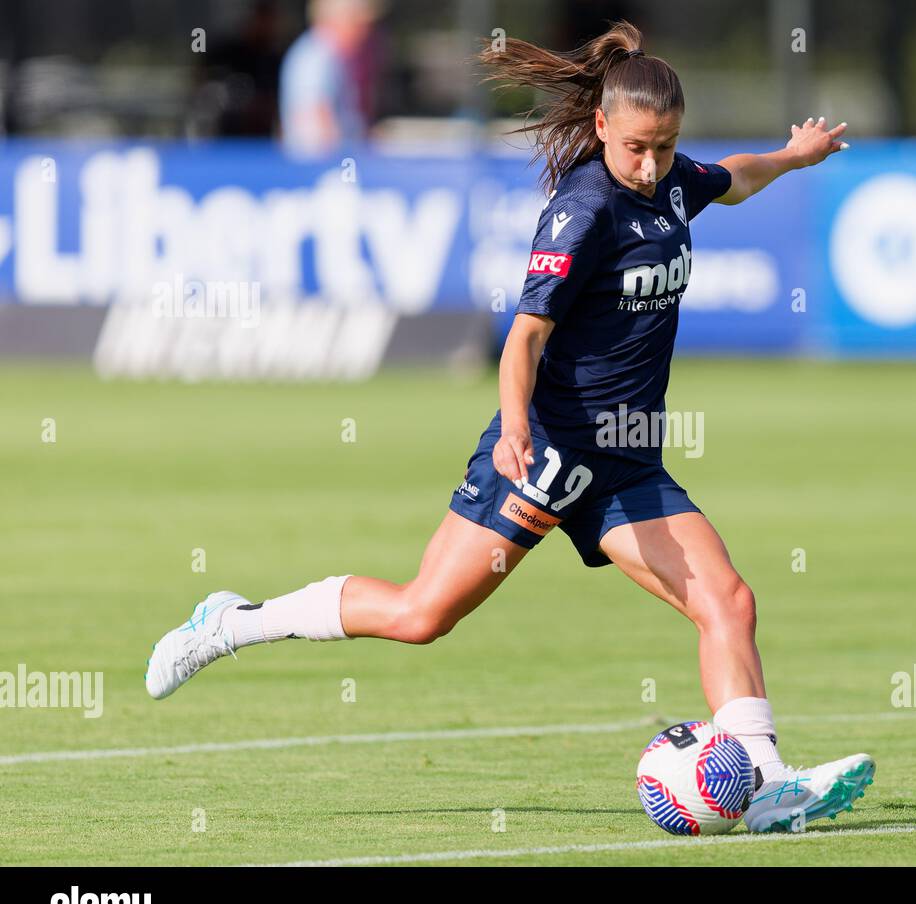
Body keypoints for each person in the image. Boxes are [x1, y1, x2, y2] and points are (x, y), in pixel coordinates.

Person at [146, 21, 873, 834]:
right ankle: (233, 623)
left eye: (665, 146)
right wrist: (517, 430)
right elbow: (524, 334)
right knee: (423, 616)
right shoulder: (584, 211)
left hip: (625, 464)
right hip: (548, 451)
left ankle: (769, 786)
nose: (651, 163)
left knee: (729, 603)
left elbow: (730, 178)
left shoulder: (670, 182)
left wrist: (792, 156)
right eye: (636, 147)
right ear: (602, 127)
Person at [278, 0, 378, 156]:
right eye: (358, 22)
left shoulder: (334, 56)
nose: (366, 31)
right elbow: (313, 127)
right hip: (320, 169)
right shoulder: (315, 58)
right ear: (338, 19)